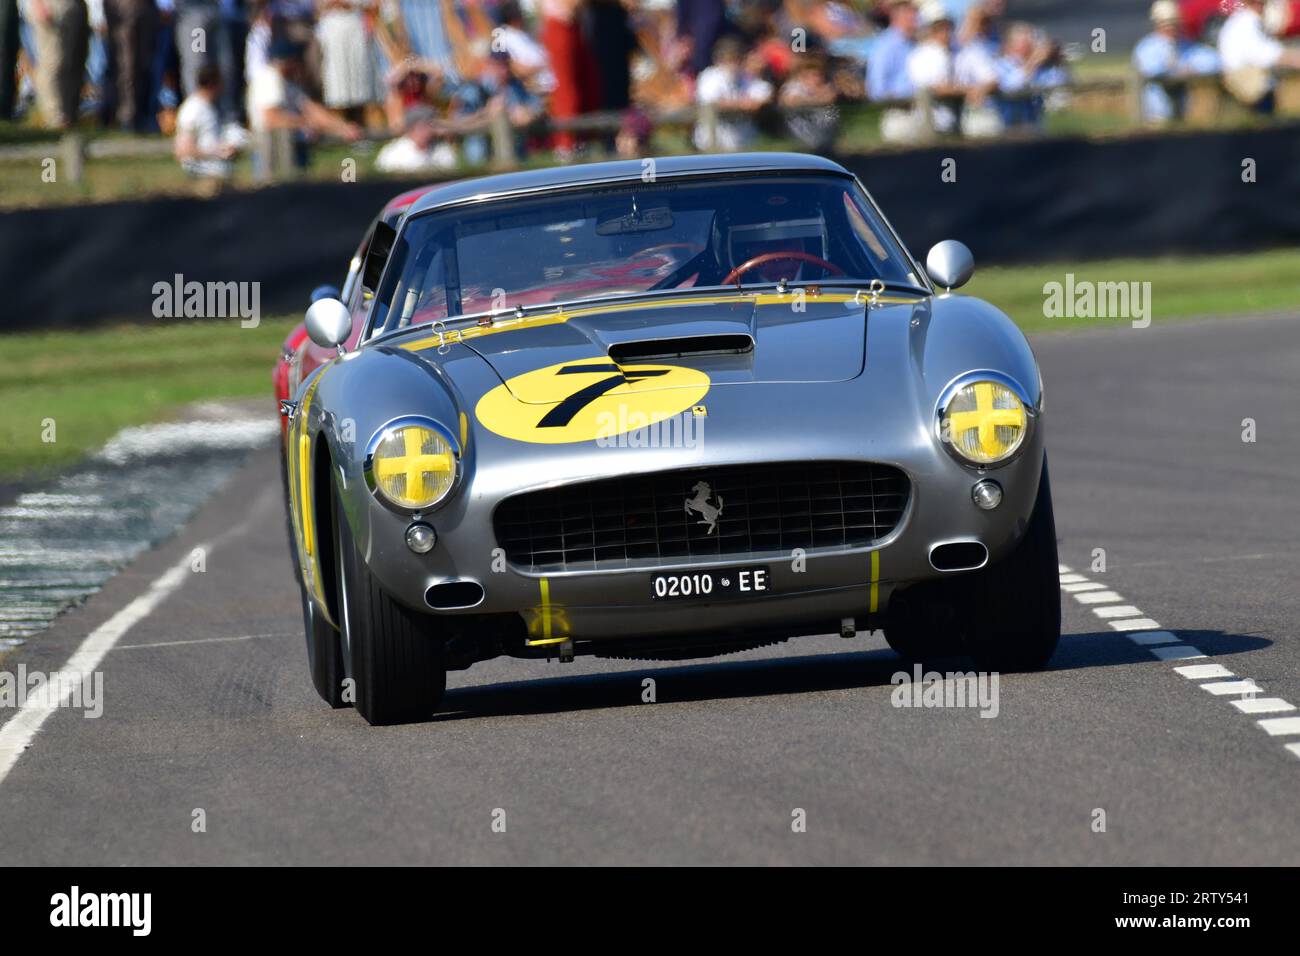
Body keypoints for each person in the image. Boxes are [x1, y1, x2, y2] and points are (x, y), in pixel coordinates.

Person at [247, 37, 361, 167]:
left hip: (294, 144)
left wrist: (342, 127)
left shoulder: (289, 82)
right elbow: (271, 118)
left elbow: (311, 109)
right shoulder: (269, 78)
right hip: (272, 147)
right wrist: (306, 123)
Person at [1133, 1, 1220, 124]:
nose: (1170, 28)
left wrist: (1191, 68)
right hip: (1156, 116)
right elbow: (1152, 70)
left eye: (1173, 24)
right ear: (1156, 23)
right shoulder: (1146, 47)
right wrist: (1176, 70)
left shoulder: (1185, 45)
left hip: (1184, 116)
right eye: (1165, 23)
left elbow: (1213, 61)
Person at [693, 34, 772, 151]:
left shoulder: (744, 76)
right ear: (719, 59)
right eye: (729, 58)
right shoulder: (710, 75)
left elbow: (765, 92)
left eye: (737, 58)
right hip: (712, 145)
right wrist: (741, 104)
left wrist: (753, 103)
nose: (733, 63)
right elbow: (711, 101)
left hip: (741, 142)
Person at [1218, 0, 1300, 111]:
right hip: (1245, 78)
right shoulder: (1247, 21)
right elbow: (1264, 54)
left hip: (1245, 75)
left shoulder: (1245, 20)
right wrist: (1294, 59)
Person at [26, 0, 90, 128]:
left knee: (74, 64)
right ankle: (54, 118)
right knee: (53, 62)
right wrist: (37, 4)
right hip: (51, 6)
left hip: (75, 6)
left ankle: (69, 116)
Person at [174, 61, 243, 175]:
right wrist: (217, 153)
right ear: (213, 83)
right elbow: (183, 150)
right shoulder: (192, 109)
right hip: (201, 174)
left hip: (218, 173)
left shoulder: (210, 106)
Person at [316, 0, 379, 119]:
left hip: (355, 22)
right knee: (336, 84)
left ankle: (363, 124)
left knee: (361, 82)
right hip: (332, 24)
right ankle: (341, 127)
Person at [102, 0, 158, 130]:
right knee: (127, 66)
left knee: (145, 65)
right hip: (123, 8)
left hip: (147, 7)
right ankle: (127, 117)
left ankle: (143, 116)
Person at [906, 1, 960, 134]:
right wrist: (967, 89)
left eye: (947, 27)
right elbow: (932, 88)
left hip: (952, 121)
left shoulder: (954, 51)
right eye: (939, 28)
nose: (945, 32)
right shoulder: (920, 55)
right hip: (930, 123)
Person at [375, 102, 456, 171]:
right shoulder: (393, 153)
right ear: (410, 129)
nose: (427, 131)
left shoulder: (442, 151)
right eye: (422, 127)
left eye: (430, 126)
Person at [866, 0, 916, 102]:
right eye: (911, 16)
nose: (916, 20)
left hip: (920, 103)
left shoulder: (912, 42)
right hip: (899, 107)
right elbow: (877, 88)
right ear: (897, 17)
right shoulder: (886, 45)